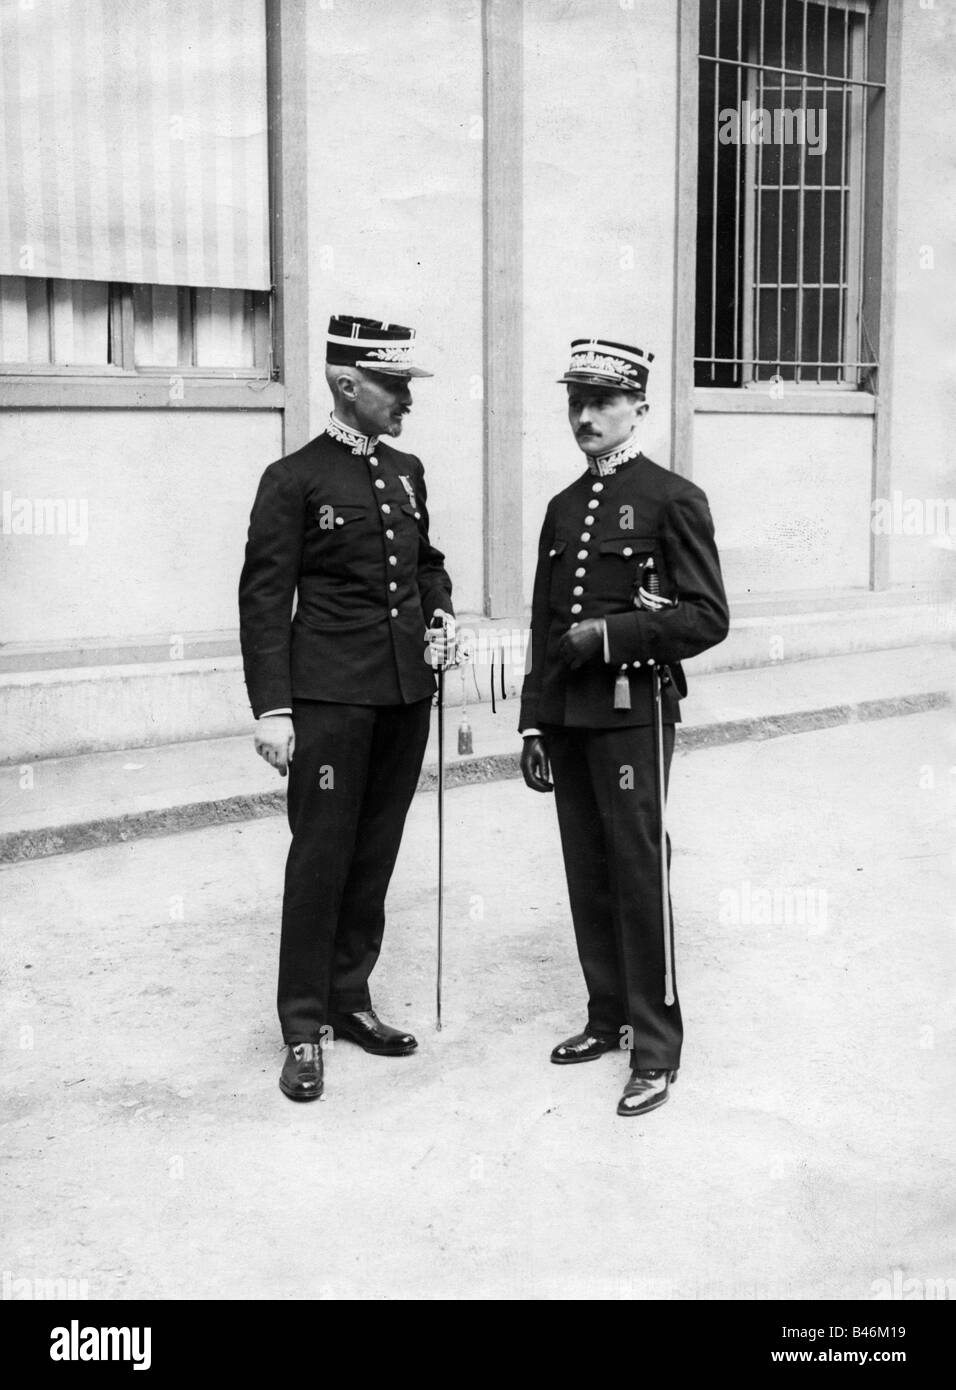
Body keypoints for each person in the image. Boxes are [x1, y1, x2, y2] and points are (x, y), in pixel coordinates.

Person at [239, 315, 455, 1102]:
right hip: (329, 701)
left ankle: (350, 998)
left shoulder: (406, 470)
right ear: (346, 383)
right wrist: (274, 709)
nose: (406, 401)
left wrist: (442, 612)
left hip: (403, 696)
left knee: (374, 856)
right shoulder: (292, 479)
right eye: (395, 386)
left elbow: (427, 563)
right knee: (321, 857)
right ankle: (302, 1028)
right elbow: (264, 600)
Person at [519, 336, 729, 1117]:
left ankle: (655, 1046)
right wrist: (534, 726)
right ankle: (605, 1017)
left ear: (639, 406)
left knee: (637, 871)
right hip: (569, 718)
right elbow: (543, 623)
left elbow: (708, 617)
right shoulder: (562, 508)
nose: (585, 415)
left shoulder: (673, 498)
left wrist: (609, 638)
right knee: (587, 868)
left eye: (602, 401)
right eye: (575, 400)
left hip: (634, 713)